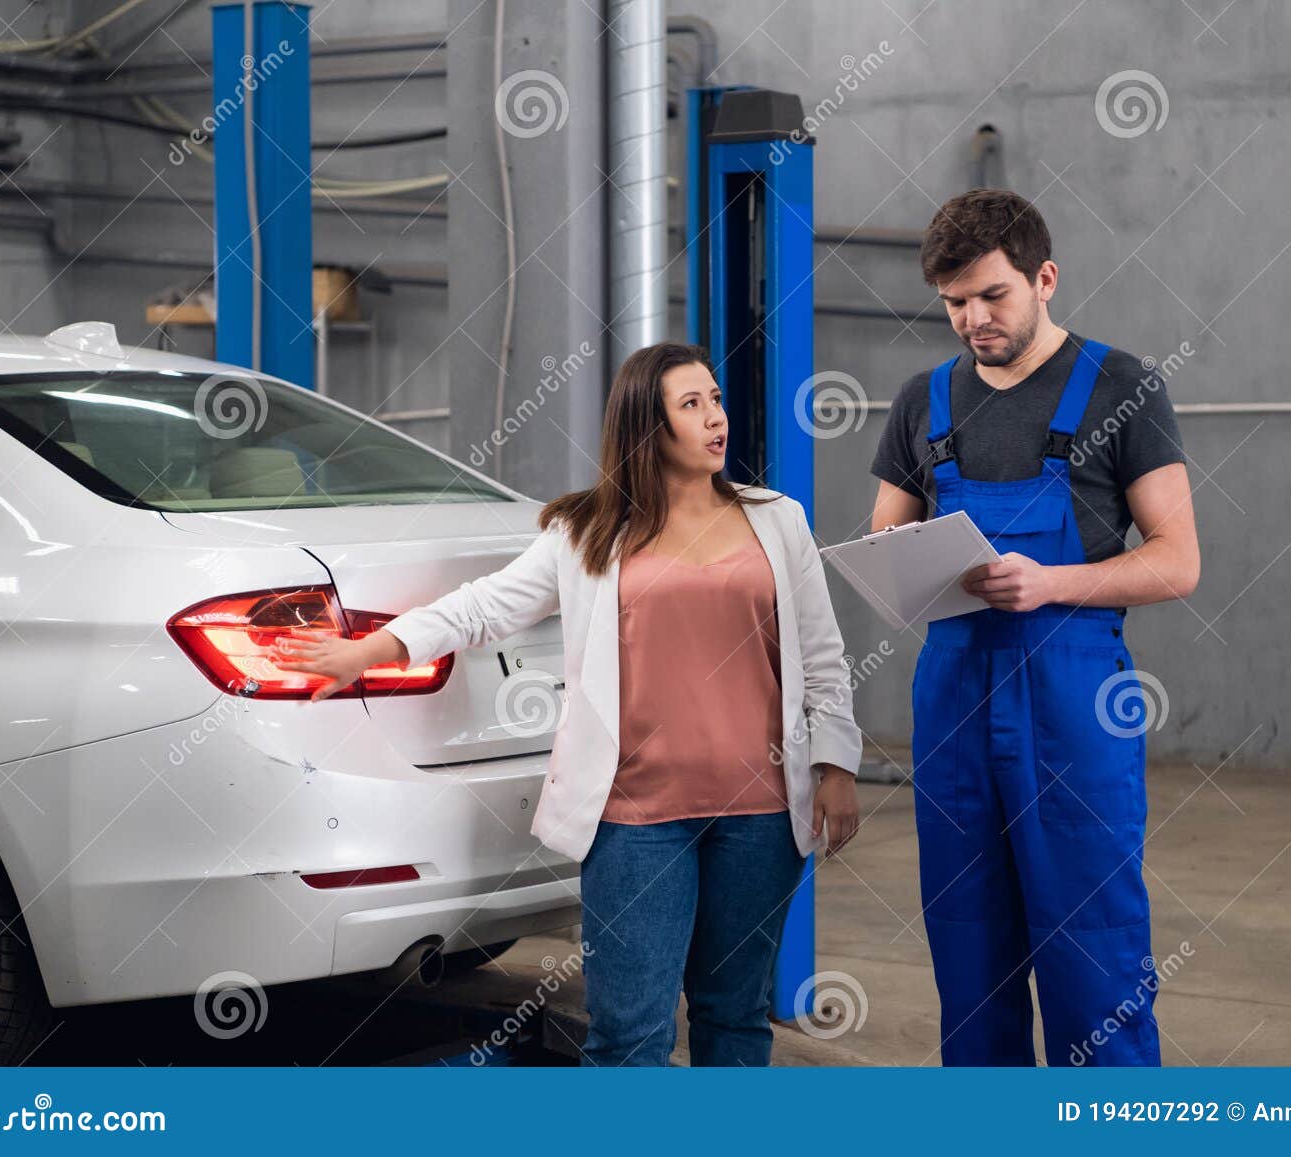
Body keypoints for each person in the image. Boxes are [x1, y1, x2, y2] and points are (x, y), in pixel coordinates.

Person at [273, 340, 863, 1066]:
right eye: (691, 404)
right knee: (629, 1034)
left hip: (762, 815)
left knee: (735, 1017)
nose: (716, 418)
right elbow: (478, 608)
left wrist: (836, 764)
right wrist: (373, 648)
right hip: (635, 820)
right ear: (649, 426)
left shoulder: (777, 520)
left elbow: (823, 652)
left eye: (715, 399)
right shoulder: (586, 532)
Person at [869, 188, 1201, 1066]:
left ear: (1044, 278)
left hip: (1072, 695)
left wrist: (1052, 582)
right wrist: (907, 561)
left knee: (1093, 945)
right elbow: (882, 536)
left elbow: (1177, 559)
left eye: (992, 296)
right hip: (952, 694)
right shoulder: (922, 399)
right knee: (968, 946)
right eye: (954, 304)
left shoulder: (1121, 387)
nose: (973, 319)